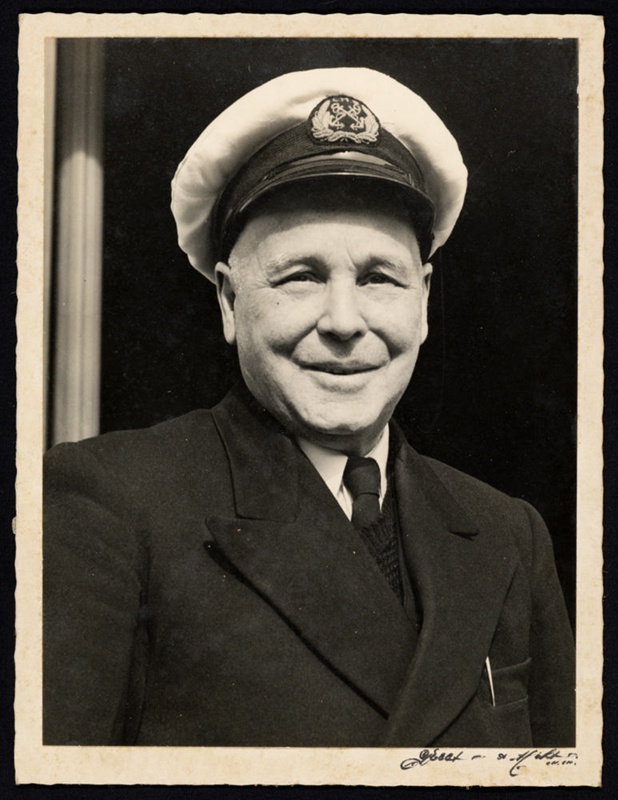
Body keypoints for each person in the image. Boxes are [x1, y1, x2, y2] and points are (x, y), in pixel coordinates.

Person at [43, 67, 575, 747]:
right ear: (230, 303)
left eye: (380, 278)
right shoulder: (108, 506)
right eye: (302, 277)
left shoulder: (507, 533)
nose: (345, 321)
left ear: (423, 303)